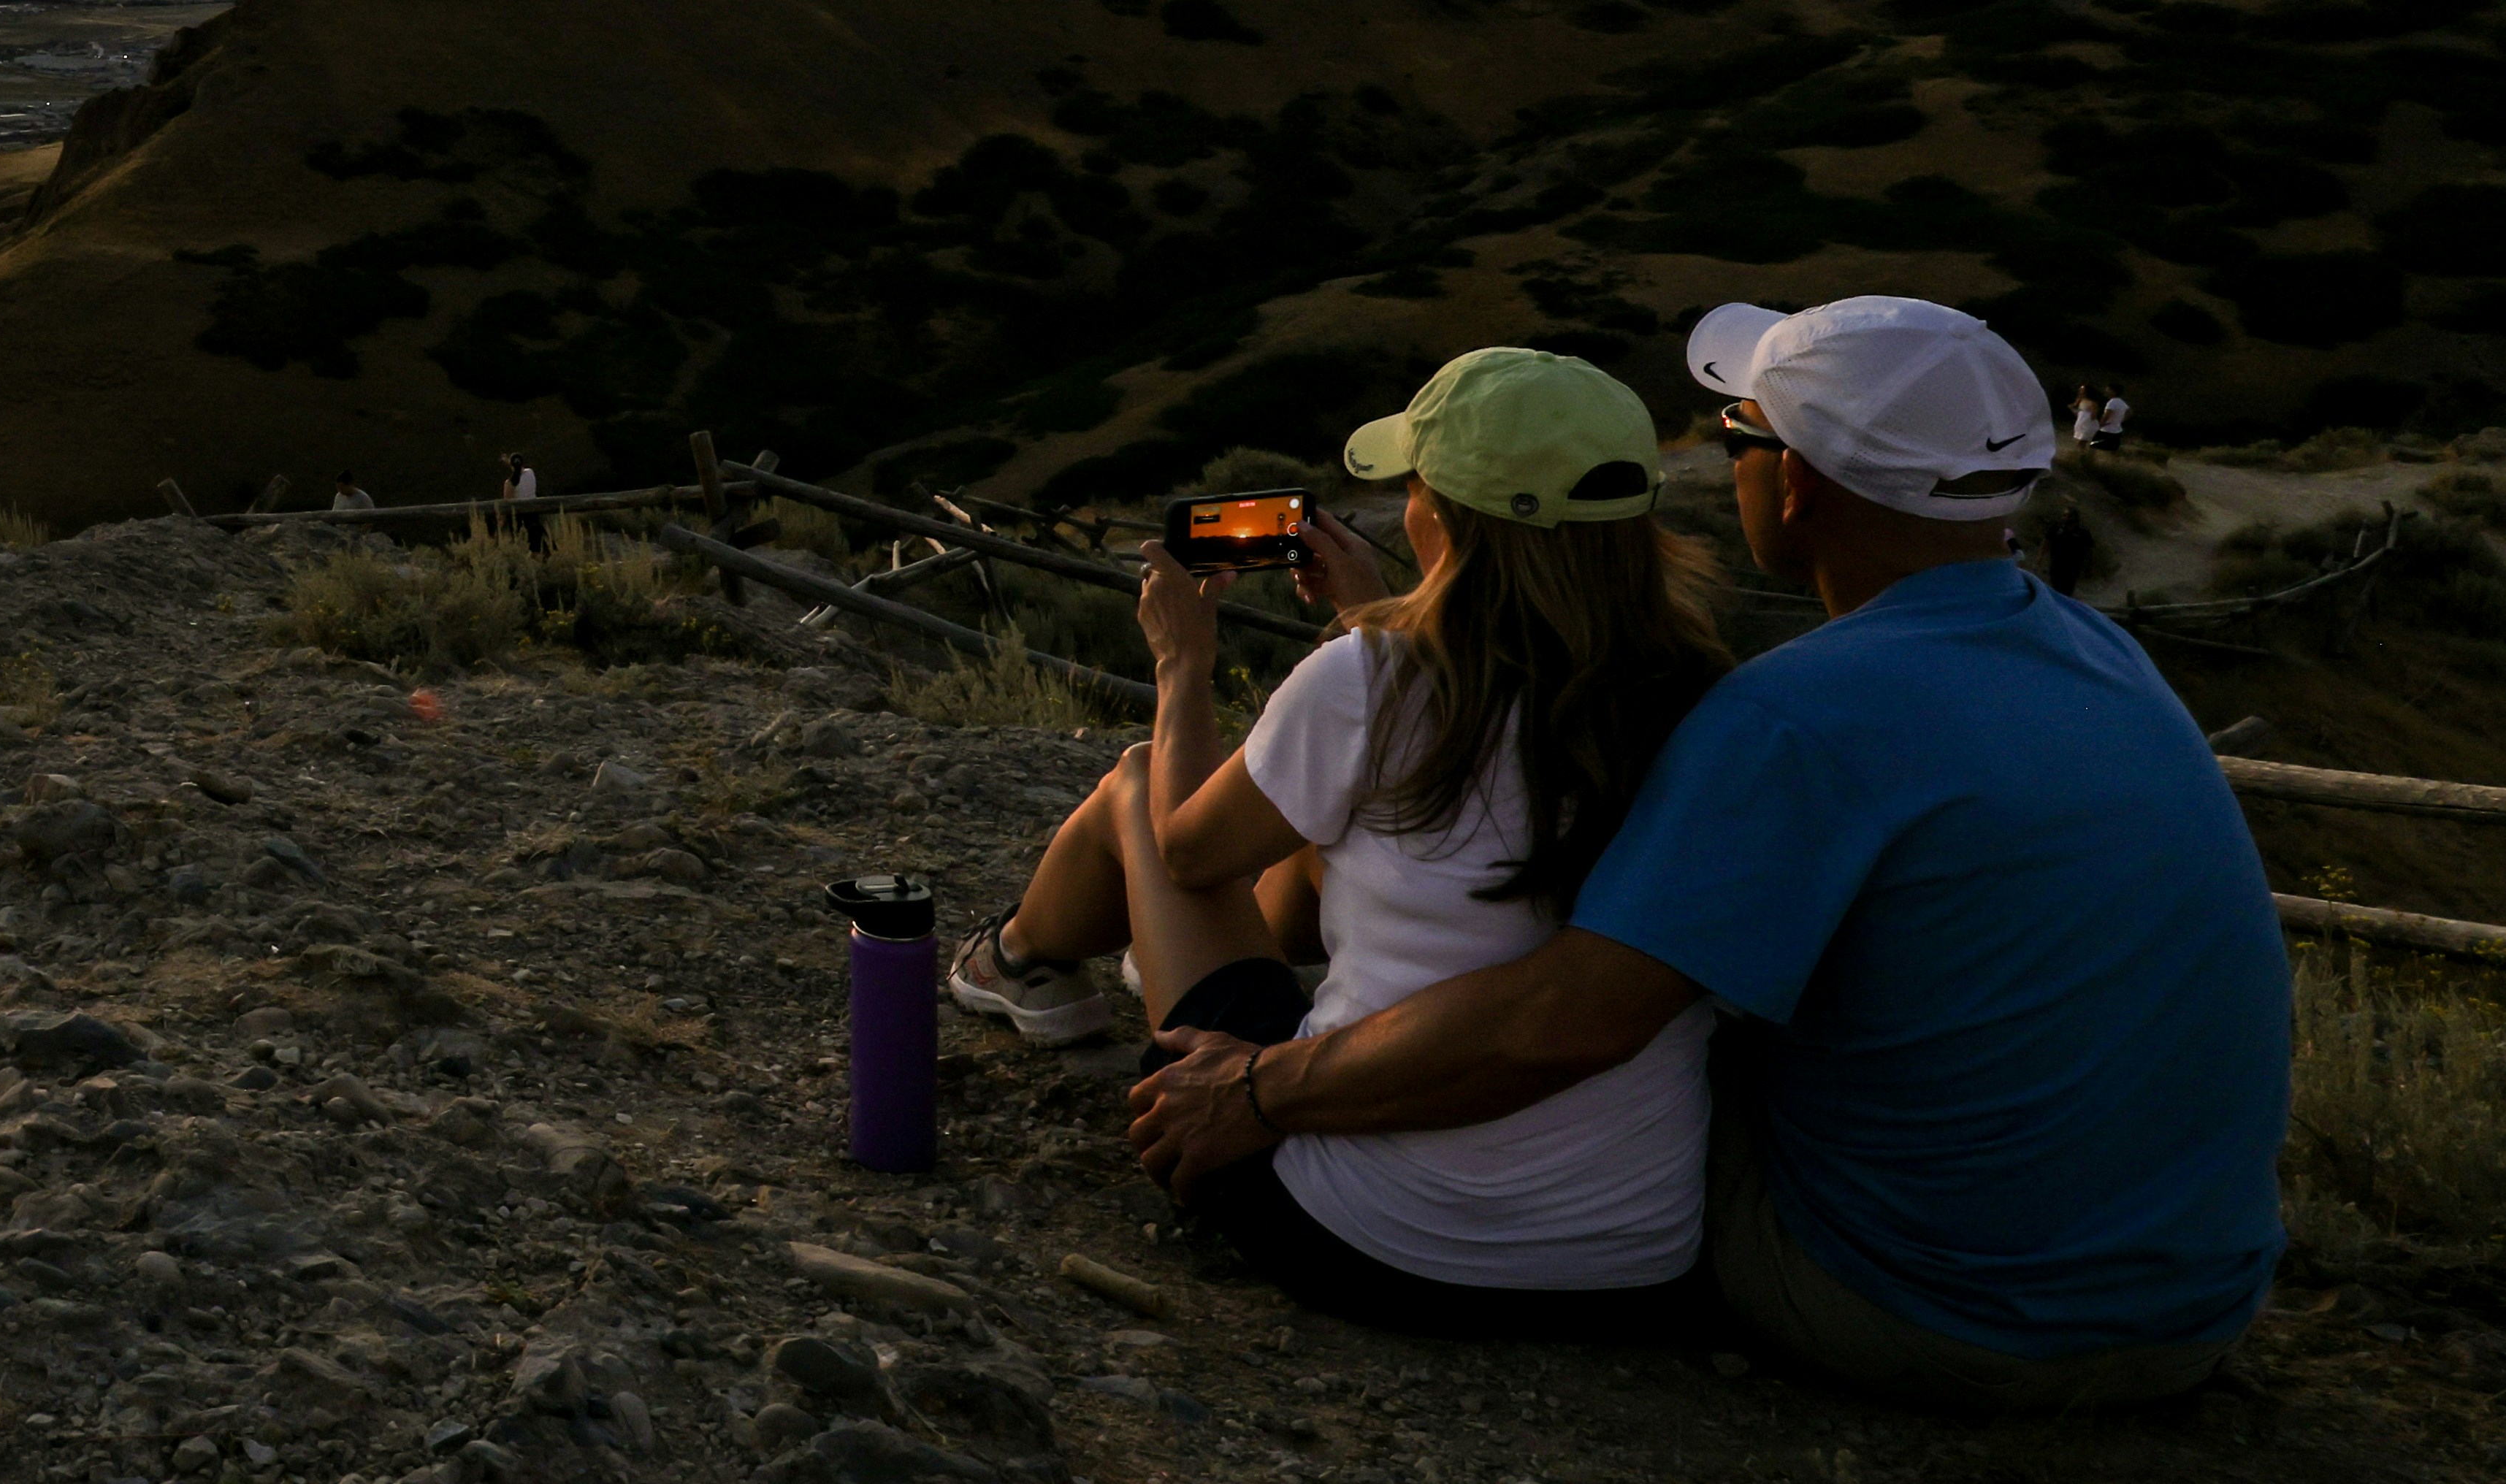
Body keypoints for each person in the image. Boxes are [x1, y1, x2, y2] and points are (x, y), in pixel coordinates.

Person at [1131, 296, 2285, 1412]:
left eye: (1737, 430)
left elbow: (1568, 1023)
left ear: (1791, 481)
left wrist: (1256, 1085)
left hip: (1938, 1318)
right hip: (2188, 1306)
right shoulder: (2103, 655)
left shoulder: (1795, 714)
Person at [947, 349, 1726, 1340]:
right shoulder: (1704, 693)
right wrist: (1368, 615)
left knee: (1141, 781)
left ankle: (1017, 957)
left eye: (1415, 486)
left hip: (1373, 1235)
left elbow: (1189, 851)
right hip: (1629, 1256)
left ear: (1444, 516)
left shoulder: (1375, 679)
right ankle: (1070, 958)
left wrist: (1184, 662)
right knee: (1337, 834)